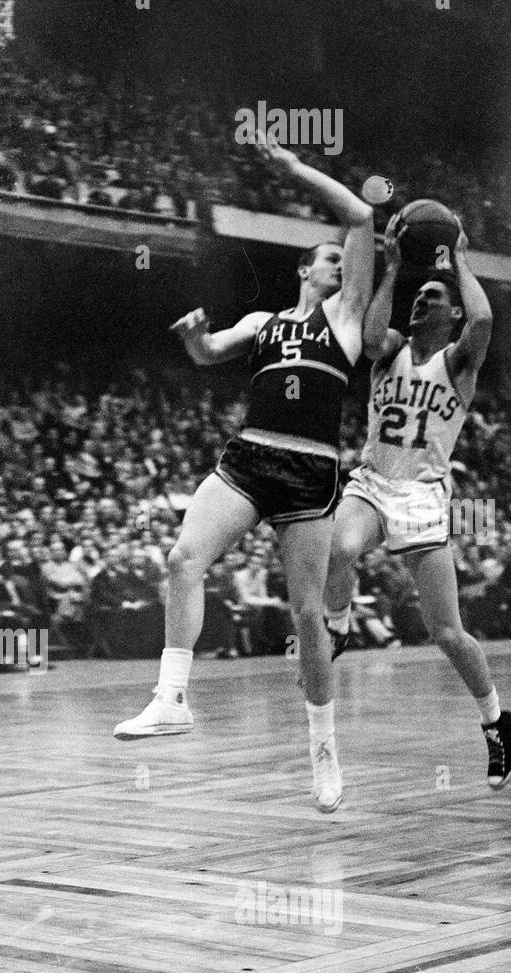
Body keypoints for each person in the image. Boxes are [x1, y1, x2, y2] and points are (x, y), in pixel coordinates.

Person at [114, 134, 375, 813]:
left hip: (310, 470)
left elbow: (362, 219)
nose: (339, 268)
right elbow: (205, 354)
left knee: (307, 618)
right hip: (250, 456)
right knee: (181, 558)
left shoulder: (346, 322)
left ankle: (323, 748)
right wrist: (191, 335)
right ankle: (171, 698)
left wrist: (292, 169)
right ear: (304, 271)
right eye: (328, 262)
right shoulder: (263, 321)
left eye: (340, 263)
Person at [324, 216, 511, 788]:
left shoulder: (458, 361)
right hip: (374, 480)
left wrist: (457, 257)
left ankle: (495, 721)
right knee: (339, 546)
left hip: (424, 497)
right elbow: (366, 327)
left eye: (430, 297)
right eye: (418, 296)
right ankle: (338, 625)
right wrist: (392, 266)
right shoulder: (388, 351)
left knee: (447, 633)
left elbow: (482, 317)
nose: (419, 302)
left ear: (449, 313)